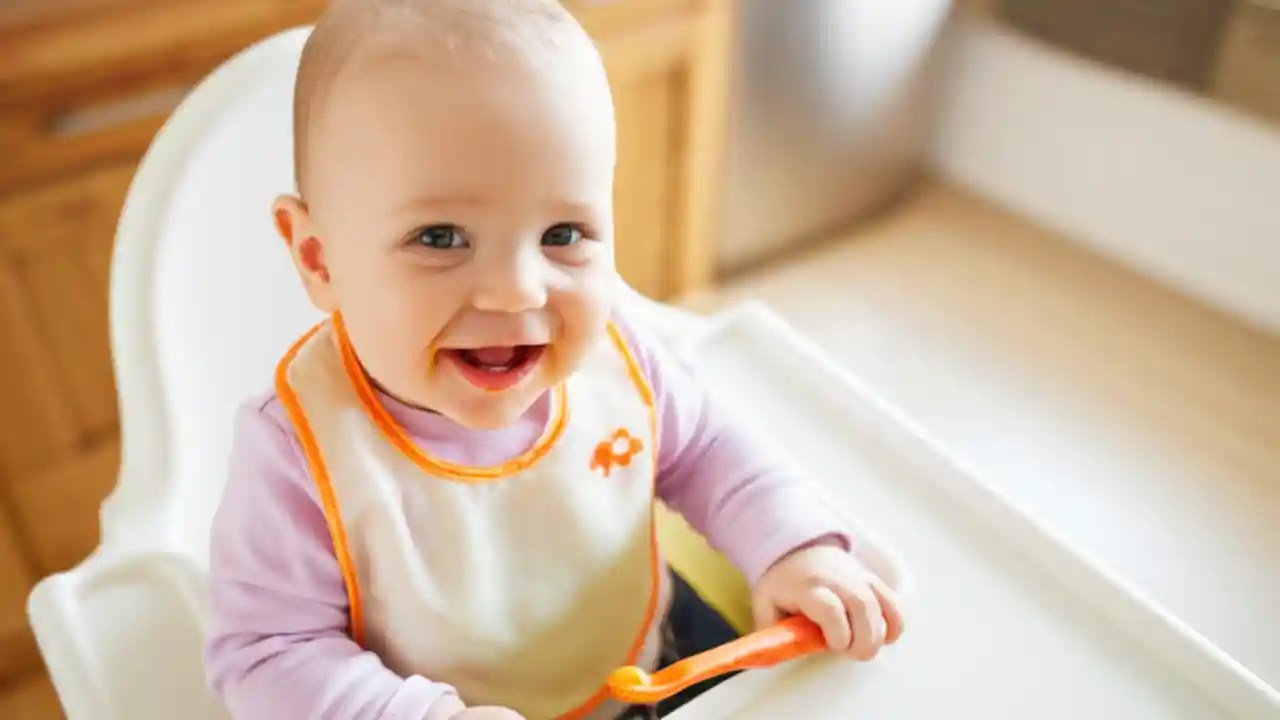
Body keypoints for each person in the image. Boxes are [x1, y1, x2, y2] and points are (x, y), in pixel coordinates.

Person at [203, 1, 904, 717]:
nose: (517, 290)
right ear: (319, 258)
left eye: (562, 231)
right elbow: (267, 653)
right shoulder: (300, 452)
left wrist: (793, 547)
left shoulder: (617, 359)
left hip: (652, 652)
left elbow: (707, 450)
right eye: (441, 237)